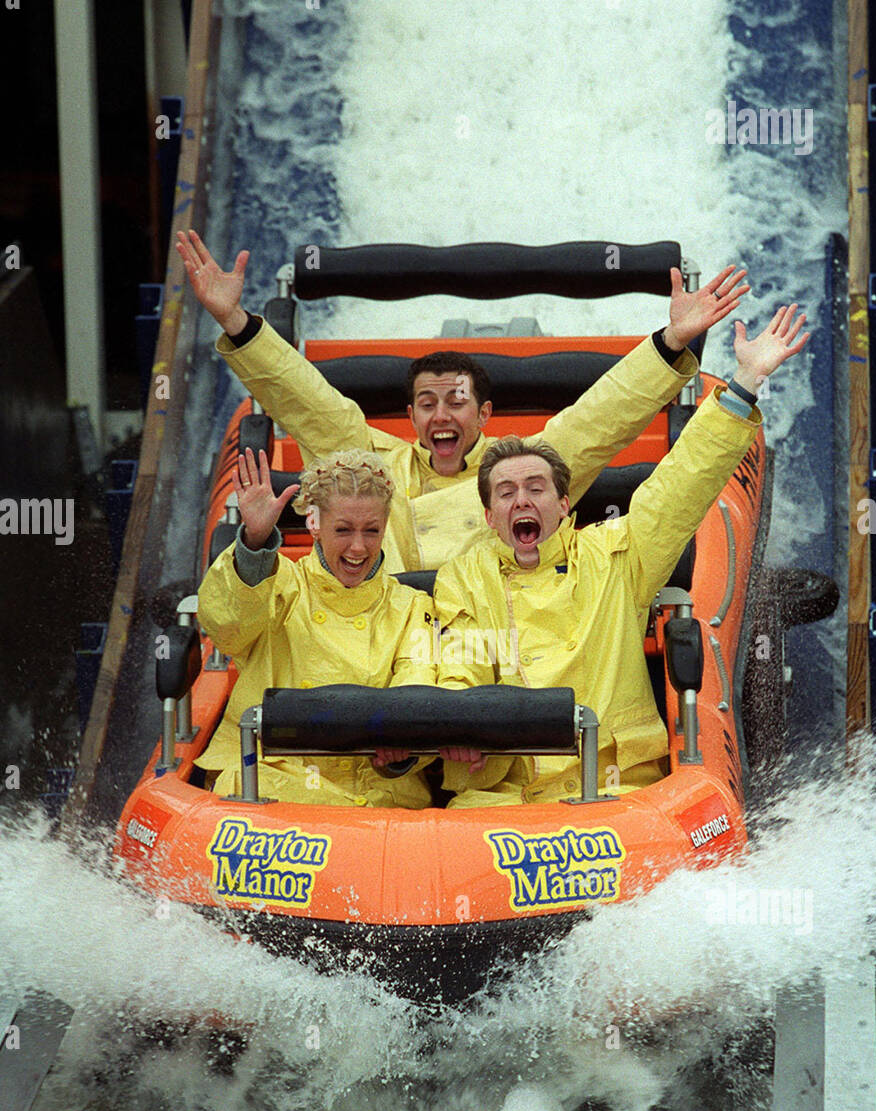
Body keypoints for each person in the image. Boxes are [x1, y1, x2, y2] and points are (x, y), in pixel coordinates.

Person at [177, 228, 750, 571]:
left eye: (456, 402)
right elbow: (307, 401)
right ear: (409, 418)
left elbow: (603, 415)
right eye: (427, 404)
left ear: (485, 416)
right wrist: (235, 320)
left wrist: (673, 341)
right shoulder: (368, 464)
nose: (441, 415)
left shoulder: (521, 472)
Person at [433, 305, 810, 806]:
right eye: (505, 492)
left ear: (564, 504)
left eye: (535, 487)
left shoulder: (613, 554)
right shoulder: (462, 578)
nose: (521, 500)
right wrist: (462, 725)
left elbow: (679, 488)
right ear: (488, 516)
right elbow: (460, 660)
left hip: (617, 793)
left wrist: (744, 383)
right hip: (506, 796)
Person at [196, 448, 435, 807]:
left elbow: (420, 685)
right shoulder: (279, 583)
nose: (358, 546)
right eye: (343, 530)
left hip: (373, 792)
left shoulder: (413, 605)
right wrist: (254, 544)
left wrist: (402, 742)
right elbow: (227, 626)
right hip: (271, 778)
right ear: (314, 525)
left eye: (372, 531)